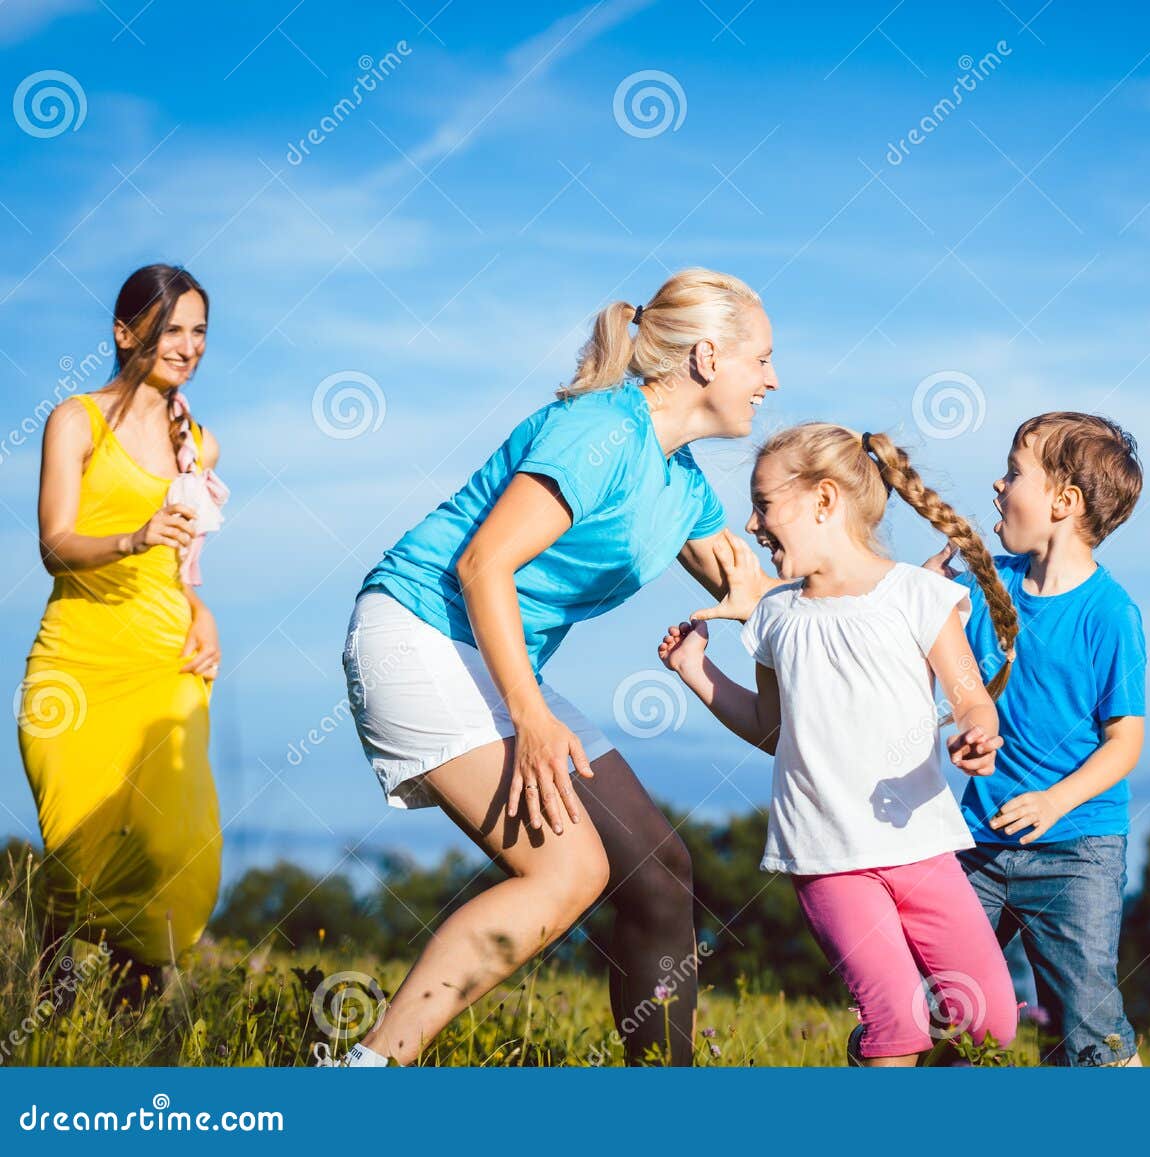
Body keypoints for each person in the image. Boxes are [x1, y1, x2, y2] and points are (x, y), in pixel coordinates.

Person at [323, 269, 779, 1067]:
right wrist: (532, 716)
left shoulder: (679, 482)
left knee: (659, 869)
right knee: (566, 870)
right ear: (708, 356)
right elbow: (482, 564)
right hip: (420, 634)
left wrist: (894, 619)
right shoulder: (602, 431)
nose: (772, 380)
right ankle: (365, 1071)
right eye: (762, 359)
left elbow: (758, 594)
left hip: (488, 654)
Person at [658, 423, 1019, 1065]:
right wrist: (697, 674)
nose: (751, 522)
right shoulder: (775, 616)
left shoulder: (916, 594)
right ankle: (881, 1051)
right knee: (897, 1024)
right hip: (826, 855)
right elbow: (773, 730)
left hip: (922, 846)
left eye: (765, 504)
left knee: (989, 1022)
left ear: (824, 500)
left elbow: (969, 694)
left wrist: (977, 728)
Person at [20, 263, 227, 999]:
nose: (189, 344)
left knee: (174, 846)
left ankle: (119, 1002)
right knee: (82, 854)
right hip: (77, 664)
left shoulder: (199, 445)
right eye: (173, 328)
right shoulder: (75, 420)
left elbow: (183, 568)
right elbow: (55, 544)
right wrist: (132, 538)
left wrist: (202, 613)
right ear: (126, 331)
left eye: (199, 330)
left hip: (166, 659)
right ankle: (54, 1000)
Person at [928, 411, 1147, 1066]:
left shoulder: (1110, 613)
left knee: (1089, 1017)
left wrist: (1054, 800)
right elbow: (939, 662)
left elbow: (1125, 742)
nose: (996, 485)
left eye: (1013, 472)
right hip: (981, 843)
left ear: (1064, 501)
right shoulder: (979, 585)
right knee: (945, 1006)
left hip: (1076, 849)